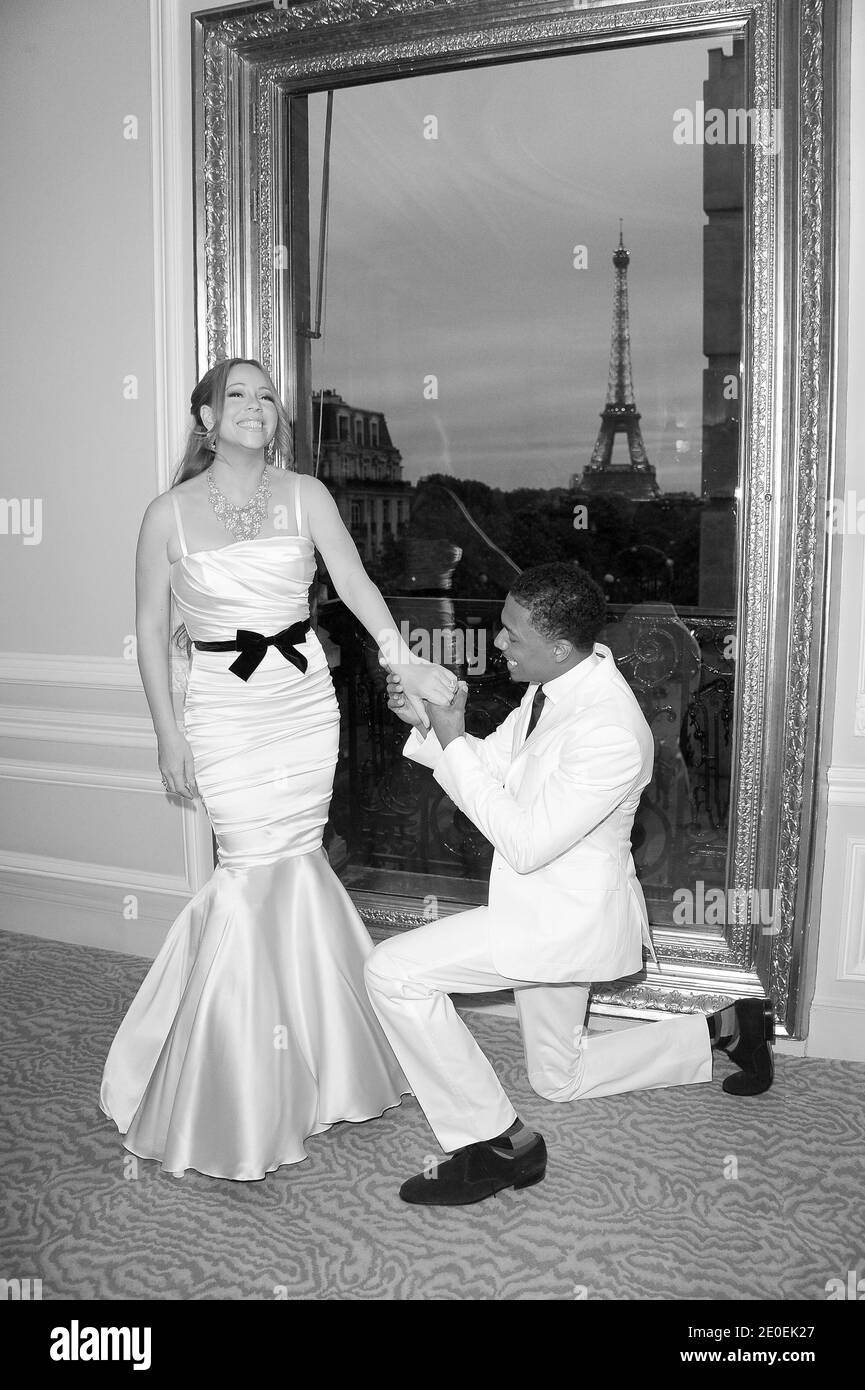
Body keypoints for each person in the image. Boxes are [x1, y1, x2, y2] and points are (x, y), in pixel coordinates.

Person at [100, 357, 457, 1180]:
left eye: (266, 396)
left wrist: (404, 665)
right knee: (249, 872)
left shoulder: (306, 495)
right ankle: (231, 1088)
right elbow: (152, 638)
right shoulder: (167, 516)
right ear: (204, 417)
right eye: (237, 395)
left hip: (302, 704)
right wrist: (167, 735)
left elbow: (358, 585)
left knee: (292, 867)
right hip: (221, 711)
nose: (255, 406)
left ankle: (313, 1066)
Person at [365, 562, 775, 1207]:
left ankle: (497, 1146)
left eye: (511, 634)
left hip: (563, 921)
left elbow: (525, 844)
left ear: (558, 645)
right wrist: (431, 727)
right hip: (543, 905)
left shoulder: (608, 729)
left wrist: (450, 739)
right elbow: (495, 765)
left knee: (393, 972)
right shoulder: (554, 683)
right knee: (559, 1077)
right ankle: (725, 1026)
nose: (496, 643)